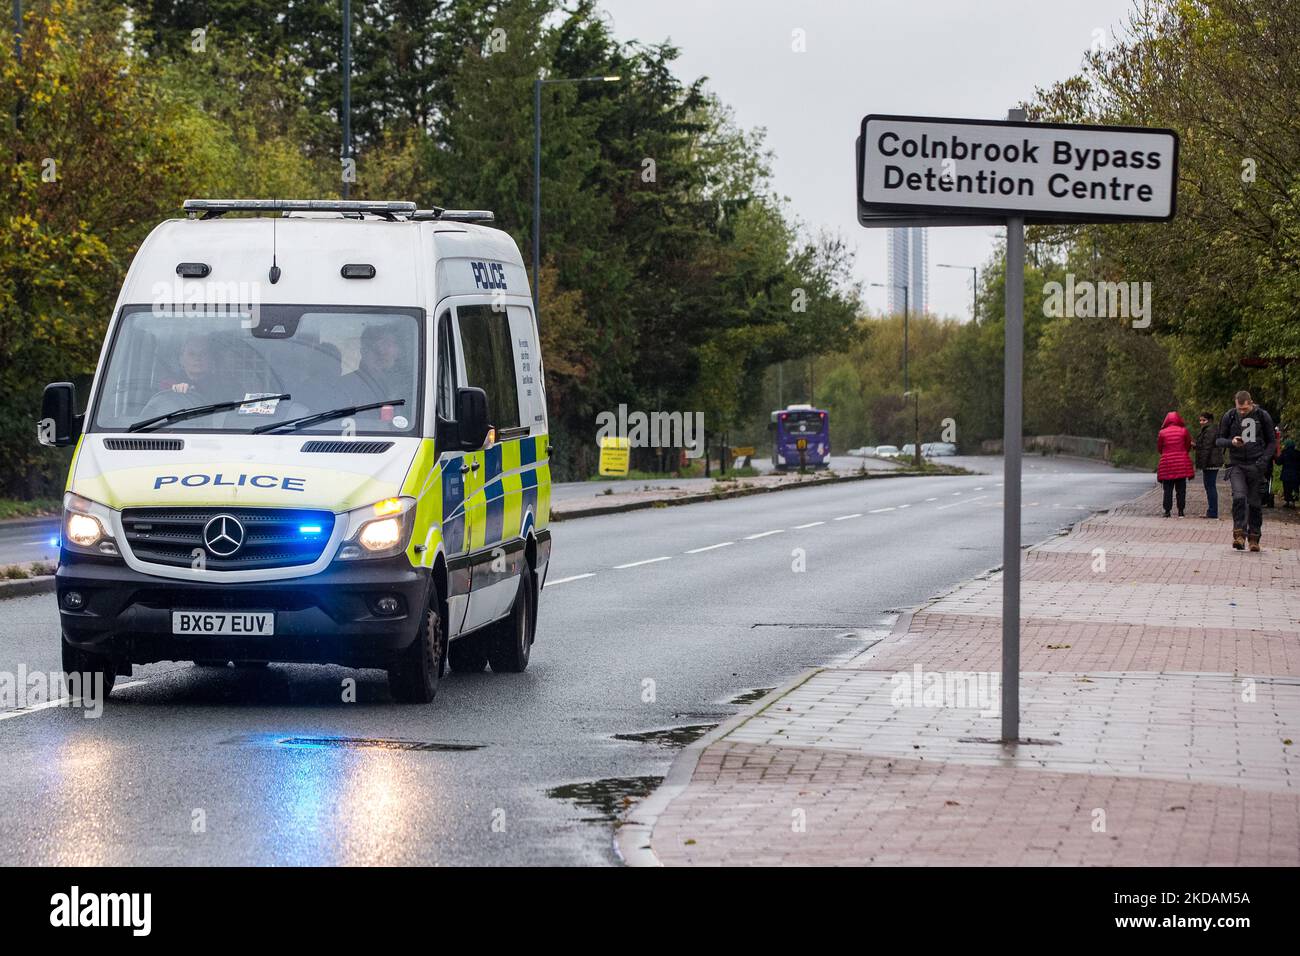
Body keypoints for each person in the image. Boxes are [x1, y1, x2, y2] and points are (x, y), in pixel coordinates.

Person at [1216, 390, 1278, 552]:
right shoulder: (1229, 416)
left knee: (1255, 503)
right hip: (1236, 465)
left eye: (1244, 409)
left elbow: (1272, 443)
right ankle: (1238, 535)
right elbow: (1219, 440)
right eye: (1239, 409)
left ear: (1251, 403)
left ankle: (1254, 538)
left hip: (1256, 465)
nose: (1241, 412)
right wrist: (1232, 442)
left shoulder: (1263, 416)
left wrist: (1263, 461)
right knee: (1239, 497)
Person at [1156, 411, 1194, 517]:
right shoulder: (1184, 431)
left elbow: (1159, 448)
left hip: (1167, 464)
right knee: (1181, 489)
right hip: (1181, 464)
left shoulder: (1162, 432)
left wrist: (1166, 453)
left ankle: (1167, 511)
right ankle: (1181, 511)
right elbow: (1187, 446)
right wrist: (1182, 452)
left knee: (1167, 489)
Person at [1193, 411, 1222, 518]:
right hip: (1211, 462)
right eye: (1200, 420)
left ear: (1209, 420)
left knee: (1210, 486)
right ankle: (1211, 511)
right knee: (1209, 486)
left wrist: (1202, 464)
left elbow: (1207, 448)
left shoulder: (1210, 430)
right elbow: (1203, 445)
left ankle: (1213, 512)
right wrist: (1196, 445)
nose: (1201, 422)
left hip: (1210, 462)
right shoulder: (1210, 429)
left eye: (1203, 420)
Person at [1281, 437, 1300, 508]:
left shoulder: (1284, 453)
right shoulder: (1298, 453)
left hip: (1286, 474)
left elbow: (1279, 462)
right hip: (1296, 474)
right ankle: (1293, 502)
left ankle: (1288, 502)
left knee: (1286, 488)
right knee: (1295, 488)